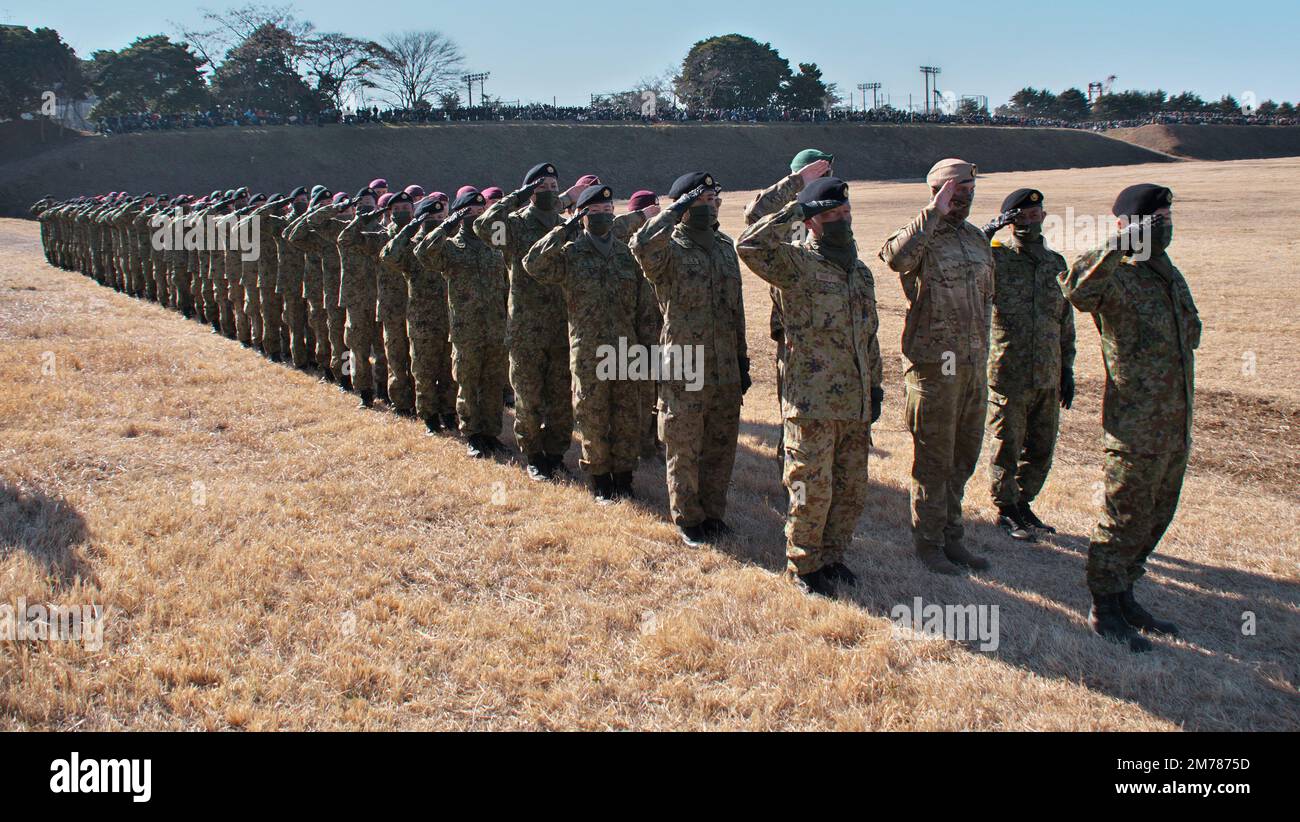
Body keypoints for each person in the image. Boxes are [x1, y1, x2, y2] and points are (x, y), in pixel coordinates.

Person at [1060, 183, 1198, 653]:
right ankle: (1104, 607)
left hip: (1174, 424)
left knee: (1156, 516)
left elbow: (1189, 333)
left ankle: (1127, 593)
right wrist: (1120, 242)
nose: (1166, 226)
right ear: (1130, 224)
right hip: (1135, 425)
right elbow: (1076, 289)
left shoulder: (1166, 273)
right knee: (1123, 517)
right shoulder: (1115, 274)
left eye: (1167, 218)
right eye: (1155, 220)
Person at [737, 176, 883, 596]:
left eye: (845, 212)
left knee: (850, 489)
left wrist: (874, 388)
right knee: (810, 489)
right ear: (814, 222)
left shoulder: (861, 273)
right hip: (812, 401)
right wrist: (799, 208)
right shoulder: (797, 265)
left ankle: (833, 557)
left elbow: (868, 337)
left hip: (854, 403)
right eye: (831, 214)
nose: (842, 220)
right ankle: (803, 566)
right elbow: (749, 245)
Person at [878, 158, 993, 575]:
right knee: (934, 460)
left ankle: (952, 536)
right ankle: (928, 543)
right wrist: (934, 213)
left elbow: (986, 302)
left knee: (963, 457)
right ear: (938, 190)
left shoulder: (978, 240)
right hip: (934, 367)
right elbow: (896, 259)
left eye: (970, 187)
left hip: (972, 367)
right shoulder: (920, 235)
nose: (966, 193)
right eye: (958, 187)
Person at [630, 172, 748, 546]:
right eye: (702, 200)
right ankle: (688, 518)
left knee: (720, 443)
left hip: (724, 363)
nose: (711, 205)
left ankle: (714, 514)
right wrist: (676, 208)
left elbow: (736, 310)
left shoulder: (725, 246)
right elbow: (640, 242)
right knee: (684, 443)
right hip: (684, 363)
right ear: (683, 206)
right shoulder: (667, 249)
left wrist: (742, 360)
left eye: (715, 198)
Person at [524, 185, 655, 501]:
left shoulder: (627, 255)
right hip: (588, 351)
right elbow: (533, 263)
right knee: (593, 418)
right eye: (593, 212)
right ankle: (600, 481)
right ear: (582, 217)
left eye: (607, 211)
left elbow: (645, 308)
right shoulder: (571, 255)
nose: (602, 217)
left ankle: (623, 478)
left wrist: (649, 351)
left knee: (626, 417)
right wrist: (563, 229)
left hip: (626, 349)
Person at [980, 188, 1076, 540]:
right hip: (1010, 371)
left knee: (1041, 447)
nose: (1031, 222)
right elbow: (972, 256)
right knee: (1008, 442)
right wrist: (989, 231)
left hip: (1048, 372)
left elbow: (1064, 320)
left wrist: (1067, 368)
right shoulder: (997, 259)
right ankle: (1005, 508)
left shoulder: (1056, 264)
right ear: (1011, 221)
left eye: (1036, 215)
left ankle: (1023, 503)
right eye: (1022, 216)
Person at [414, 189, 510, 458]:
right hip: (466, 330)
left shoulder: (494, 248)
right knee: (467, 384)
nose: (477, 216)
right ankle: (472, 435)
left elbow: (505, 287)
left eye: (480, 212)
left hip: (495, 328)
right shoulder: (450, 249)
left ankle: (491, 434)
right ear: (458, 215)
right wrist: (446, 224)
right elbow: (423, 252)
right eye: (470, 212)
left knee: (493, 384)